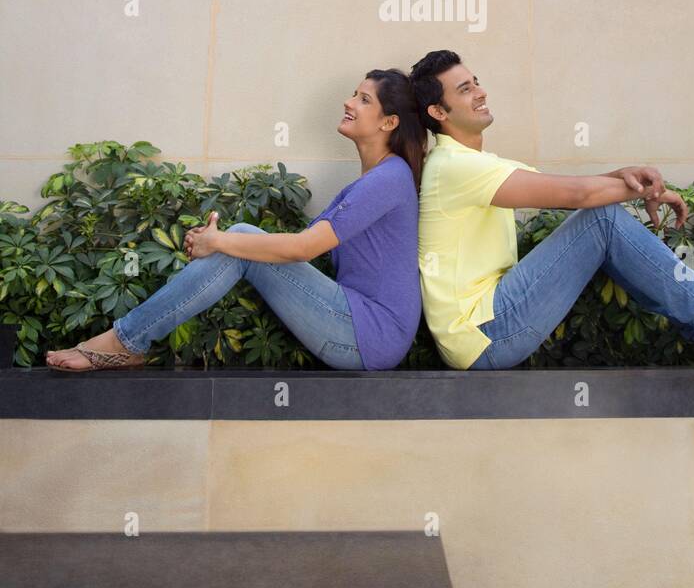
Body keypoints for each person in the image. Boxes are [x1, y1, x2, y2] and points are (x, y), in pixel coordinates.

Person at [407, 49, 694, 373]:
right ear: (438, 113)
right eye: (465, 89)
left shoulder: (472, 163)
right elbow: (579, 196)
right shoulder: (455, 167)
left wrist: (626, 178)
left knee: (601, 217)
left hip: (486, 327)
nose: (480, 92)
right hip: (486, 333)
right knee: (601, 219)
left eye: (476, 82)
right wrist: (642, 189)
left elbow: (567, 189)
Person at [45, 69, 425, 373]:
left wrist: (219, 241)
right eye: (354, 94)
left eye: (364, 99)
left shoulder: (388, 178)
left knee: (238, 239)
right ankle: (127, 341)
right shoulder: (378, 179)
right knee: (239, 242)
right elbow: (301, 244)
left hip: (368, 336)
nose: (348, 102)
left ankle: (125, 342)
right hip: (359, 327)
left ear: (389, 122)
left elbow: (303, 247)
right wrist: (221, 243)